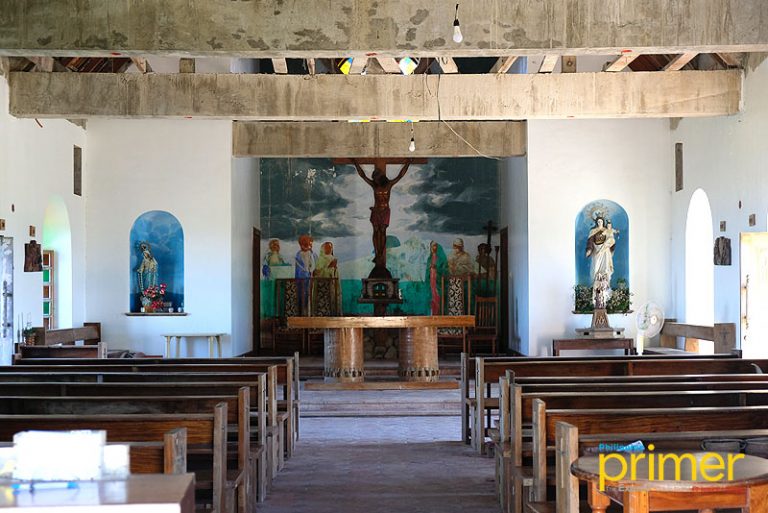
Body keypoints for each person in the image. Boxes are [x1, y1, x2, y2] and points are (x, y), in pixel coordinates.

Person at [354, 160, 410, 271]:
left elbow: (401, 175)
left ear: (380, 177)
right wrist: (356, 163)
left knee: (382, 231)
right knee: (376, 231)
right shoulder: (374, 185)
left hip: (385, 211)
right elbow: (362, 175)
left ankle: (380, 254)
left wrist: (408, 162)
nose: (375, 180)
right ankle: (377, 253)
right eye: (374, 179)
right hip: (376, 210)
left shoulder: (389, 184)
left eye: (376, 178)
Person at [585, 217, 615, 287]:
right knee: (595, 267)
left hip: (605, 251)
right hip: (596, 250)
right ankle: (595, 286)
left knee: (606, 267)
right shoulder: (593, 231)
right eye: (598, 222)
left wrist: (609, 243)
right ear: (596, 222)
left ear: (603, 222)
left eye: (601, 221)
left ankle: (606, 285)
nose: (600, 223)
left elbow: (611, 240)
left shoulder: (607, 230)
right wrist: (589, 250)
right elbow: (590, 241)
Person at [314, 241, 342, 313]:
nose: (330, 249)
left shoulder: (332, 258)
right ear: (323, 249)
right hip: (323, 287)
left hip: (333, 285)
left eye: (331, 247)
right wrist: (330, 267)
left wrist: (334, 269)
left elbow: (335, 272)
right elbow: (317, 273)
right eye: (327, 247)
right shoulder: (320, 260)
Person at [295, 235, 317, 314]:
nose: (310, 246)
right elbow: (301, 268)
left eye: (310, 245)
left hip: (308, 278)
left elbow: (314, 264)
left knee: (308, 295)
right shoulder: (299, 254)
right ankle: (301, 312)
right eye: (307, 244)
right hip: (301, 278)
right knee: (301, 295)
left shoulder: (311, 253)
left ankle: (308, 312)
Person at [425, 241, 448, 315]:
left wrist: (436, 268)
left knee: (438, 298)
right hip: (431, 282)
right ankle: (432, 315)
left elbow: (445, 271)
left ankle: (438, 315)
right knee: (431, 299)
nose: (433, 248)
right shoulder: (429, 259)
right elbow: (427, 272)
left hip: (438, 282)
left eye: (434, 246)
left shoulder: (441, 259)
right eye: (432, 246)